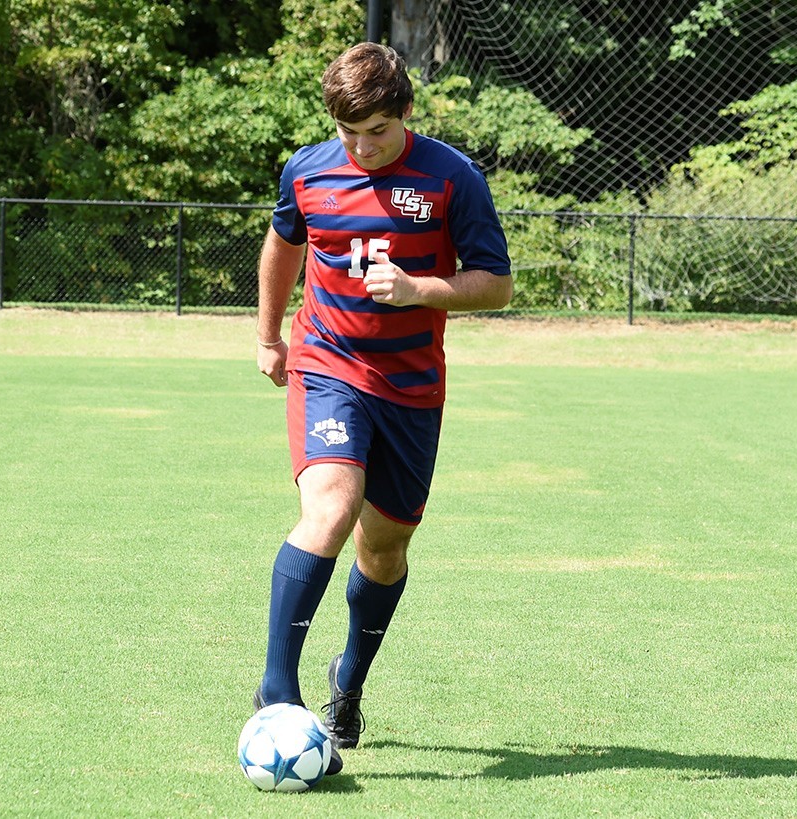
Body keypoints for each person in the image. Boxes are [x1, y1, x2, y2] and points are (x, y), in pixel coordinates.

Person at [253, 42, 512, 775]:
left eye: (378, 132)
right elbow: (284, 245)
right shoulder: (306, 170)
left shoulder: (453, 177)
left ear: (405, 113)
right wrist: (269, 334)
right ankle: (276, 688)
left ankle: (349, 679)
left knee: (385, 548)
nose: (363, 148)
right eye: (349, 134)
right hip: (328, 364)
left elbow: (495, 284)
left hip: (411, 387)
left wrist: (418, 289)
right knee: (332, 505)